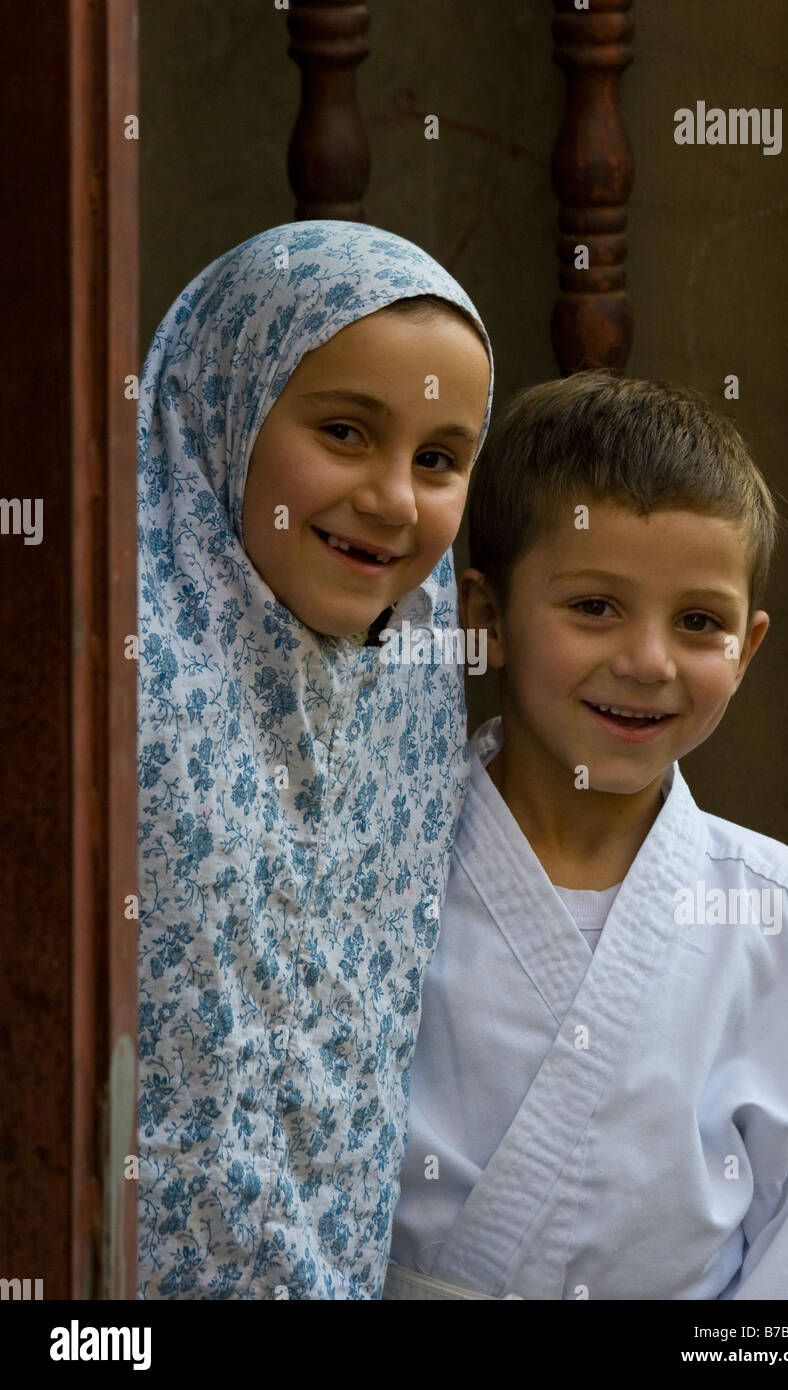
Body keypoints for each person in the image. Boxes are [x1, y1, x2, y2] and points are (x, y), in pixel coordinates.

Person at [386, 371, 788, 1301]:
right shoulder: (389, 858)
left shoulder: (774, 910)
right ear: (484, 616)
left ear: (749, 645)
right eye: (594, 606)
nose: (647, 662)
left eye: (698, 622)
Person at [136, 220, 493, 1299]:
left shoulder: (416, 668)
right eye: (344, 431)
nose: (394, 498)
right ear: (228, 404)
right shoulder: (98, 669)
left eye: (438, 459)